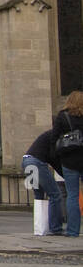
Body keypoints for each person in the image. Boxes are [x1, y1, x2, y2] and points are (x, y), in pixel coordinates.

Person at [51, 91, 83, 237]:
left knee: (72, 195)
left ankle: (73, 230)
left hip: (69, 161)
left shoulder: (62, 117)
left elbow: (54, 139)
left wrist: (56, 159)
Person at [22, 128, 65, 236]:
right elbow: (54, 159)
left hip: (27, 162)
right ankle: (55, 228)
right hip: (37, 163)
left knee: (39, 195)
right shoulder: (55, 137)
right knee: (55, 195)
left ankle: (39, 228)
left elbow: (52, 159)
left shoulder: (48, 136)